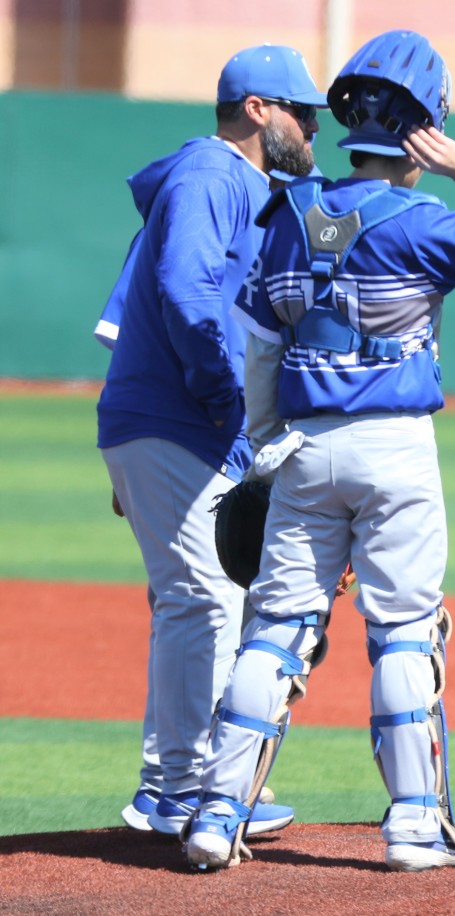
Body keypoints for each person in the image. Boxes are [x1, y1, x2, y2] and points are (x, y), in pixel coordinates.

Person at [183, 29, 455, 873]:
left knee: (275, 631)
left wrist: (268, 448)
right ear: (424, 128)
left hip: (307, 447)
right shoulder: (425, 218)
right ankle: (414, 826)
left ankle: (213, 816)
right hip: (396, 452)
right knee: (403, 634)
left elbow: (259, 347)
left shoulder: (287, 215)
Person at [96, 42, 325, 837]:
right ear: (258, 109)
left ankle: (174, 783)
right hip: (175, 420)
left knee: (194, 600)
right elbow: (186, 293)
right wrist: (223, 404)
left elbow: (137, 314)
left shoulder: (238, 185)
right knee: (205, 598)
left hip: (166, 425)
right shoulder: (210, 173)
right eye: (303, 111)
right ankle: (183, 788)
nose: (315, 128)